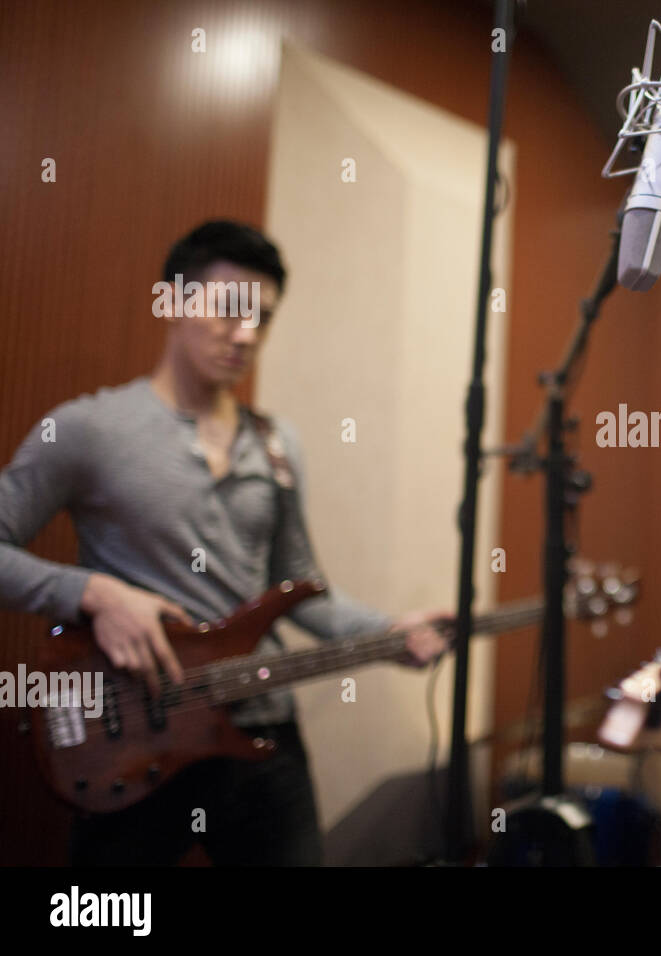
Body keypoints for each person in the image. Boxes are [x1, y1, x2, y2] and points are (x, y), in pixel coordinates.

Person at [0, 219, 447, 865]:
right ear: (174, 301)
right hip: (132, 741)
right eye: (230, 311)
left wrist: (390, 631)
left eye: (263, 319)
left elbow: (301, 590)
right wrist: (93, 593)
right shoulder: (86, 430)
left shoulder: (277, 445)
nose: (247, 335)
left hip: (263, 740)